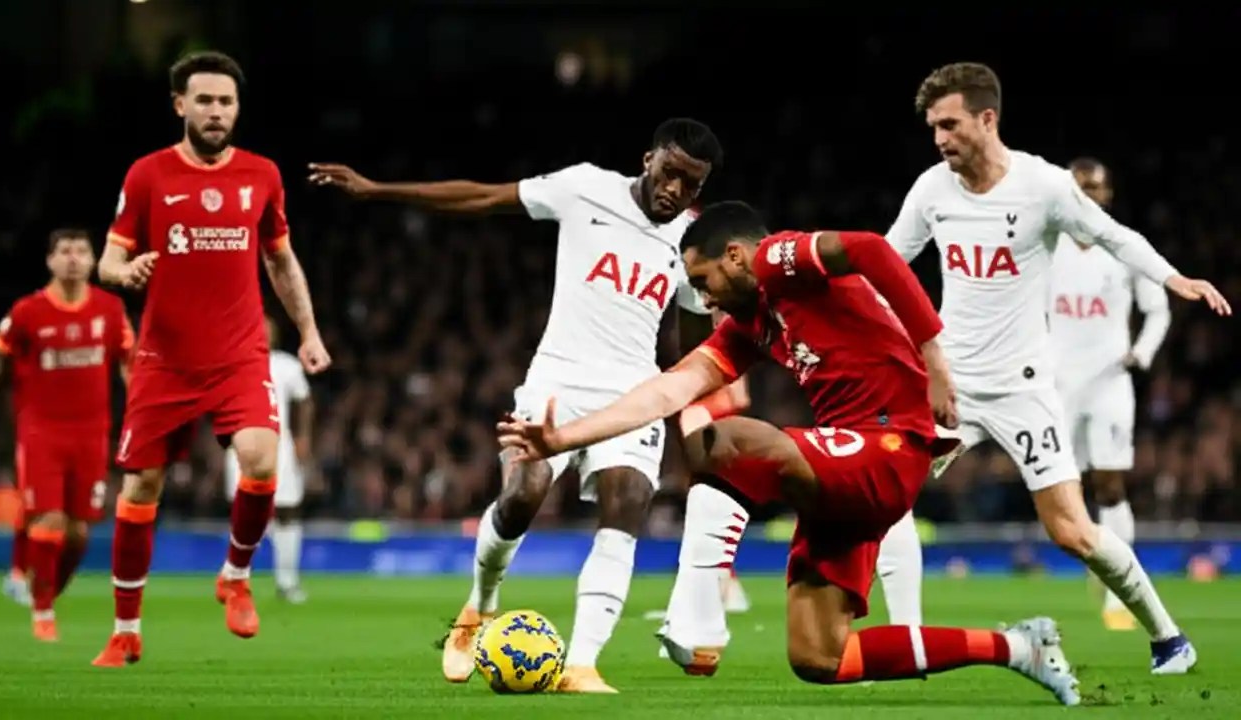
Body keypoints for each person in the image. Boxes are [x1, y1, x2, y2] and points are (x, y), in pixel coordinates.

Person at [498, 201, 1081, 705]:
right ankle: (1019, 647)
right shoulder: (748, 325)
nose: (702, 300)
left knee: (726, 437)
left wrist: (934, 360)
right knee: (820, 658)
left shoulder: (779, 258)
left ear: (734, 256)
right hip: (845, 466)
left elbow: (872, 249)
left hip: (889, 440)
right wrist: (564, 439)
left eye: (702, 282)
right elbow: (668, 388)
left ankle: (698, 613)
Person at [309, 117, 722, 692]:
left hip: (633, 397)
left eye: (691, 183)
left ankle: (581, 664)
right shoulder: (585, 188)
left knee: (627, 505)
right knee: (523, 494)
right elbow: (483, 197)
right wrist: (379, 190)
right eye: (670, 172)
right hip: (559, 381)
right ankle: (478, 608)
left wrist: (690, 393)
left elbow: (682, 330)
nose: (675, 190)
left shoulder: (691, 236)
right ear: (648, 158)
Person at [883, 61, 1229, 674]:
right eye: (933, 127)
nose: (938, 139)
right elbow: (887, 263)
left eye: (950, 125)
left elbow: (1114, 235)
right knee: (884, 495)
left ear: (988, 119)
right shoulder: (932, 189)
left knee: (1071, 531)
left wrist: (1174, 279)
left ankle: (1169, 638)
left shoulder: (1043, 187)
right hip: (951, 384)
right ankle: (907, 642)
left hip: (1023, 388)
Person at [90, 51, 331, 667]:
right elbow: (107, 261)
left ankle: (236, 575)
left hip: (239, 355)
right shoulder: (147, 175)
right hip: (164, 360)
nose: (216, 111)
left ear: (237, 108)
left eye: (225, 101)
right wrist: (128, 271)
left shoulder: (262, 176)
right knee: (141, 487)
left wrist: (307, 331)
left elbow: (280, 260)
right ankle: (125, 630)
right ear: (180, 105)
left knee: (261, 458)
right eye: (204, 100)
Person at [0, 228, 134, 641]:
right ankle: (42, 614)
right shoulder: (28, 312)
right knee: (49, 519)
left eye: (81, 250)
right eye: (64, 251)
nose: (72, 258)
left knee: (77, 533)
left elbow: (131, 365)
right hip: (42, 432)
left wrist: (141, 413)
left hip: (92, 434)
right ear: (50, 261)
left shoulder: (110, 310)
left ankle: (46, 595)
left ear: (94, 260)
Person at [1049, 157, 1170, 630]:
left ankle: (1120, 595)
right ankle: (1096, 559)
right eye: (1081, 188)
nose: (1090, 196)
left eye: (1097, 188)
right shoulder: (1048, 245)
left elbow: (1158, 310)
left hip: (1109, 384)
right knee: (1064, 489)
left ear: (1109, 194)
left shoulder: (1124, 249)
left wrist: (1140, 354)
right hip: (1058, 385)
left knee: (1112, 484)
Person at [223, 316, 315, 603]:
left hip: (280, 445)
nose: (262, 331)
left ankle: (287, 581)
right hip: (241, 445)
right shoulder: (233, 363)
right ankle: (237, 581)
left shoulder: (287, 365)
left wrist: (303, 438)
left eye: (268, 327)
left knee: (287, 510)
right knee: (243, 512)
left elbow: (304, 402)